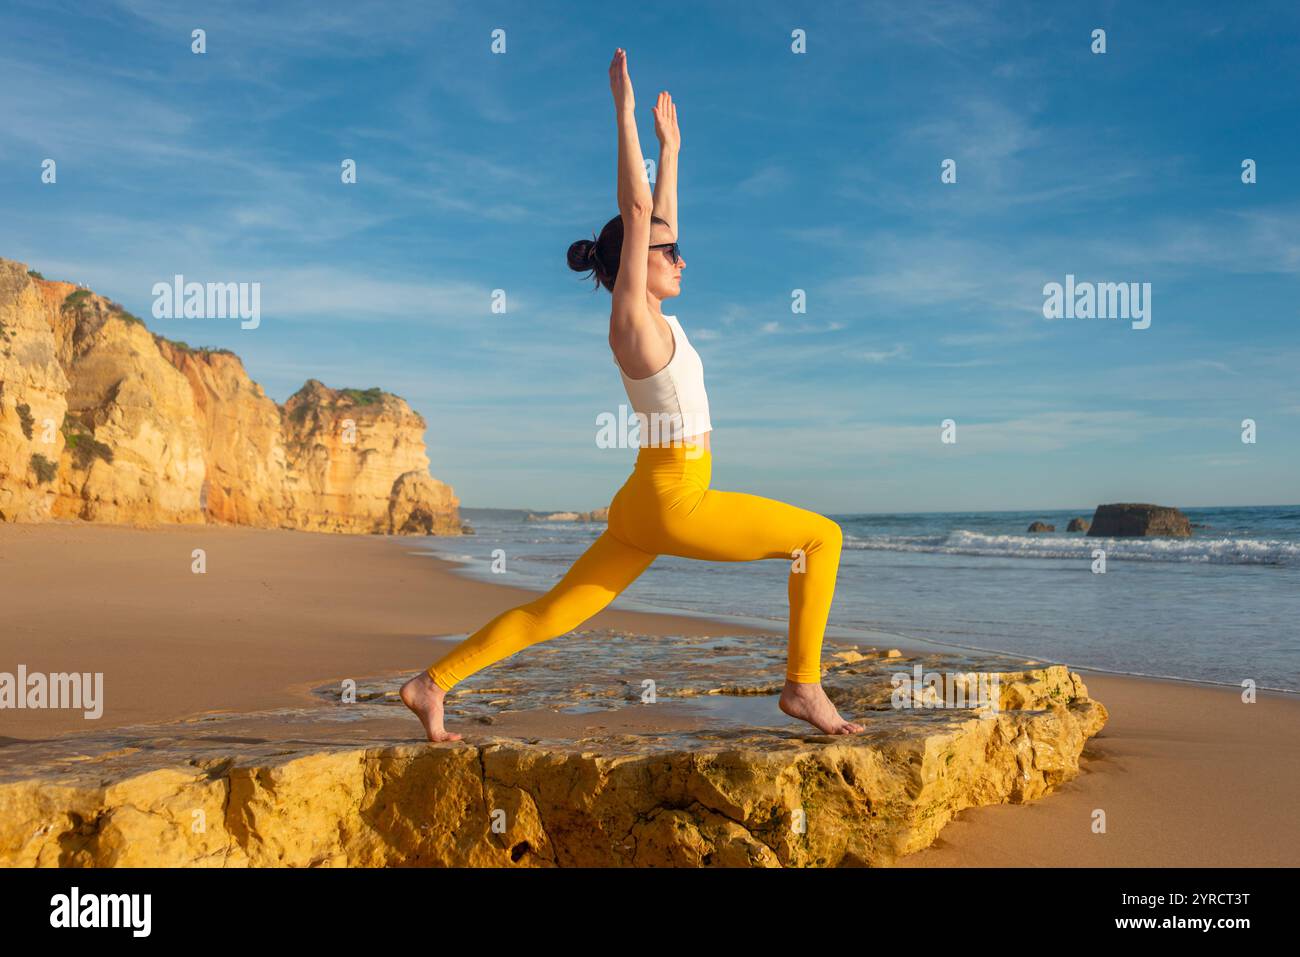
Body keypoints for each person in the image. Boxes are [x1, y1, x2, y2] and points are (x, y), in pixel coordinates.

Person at [401, 48, 863, 741]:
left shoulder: (652, 313)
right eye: (667, 252)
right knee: (820, 537)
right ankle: (802, 684)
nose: (681, 259)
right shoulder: (631, 322)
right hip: (676, 499)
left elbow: (658, 214)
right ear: (633, 263)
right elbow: (639, 207)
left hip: (642, 499)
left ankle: (429, 684)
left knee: (555, 608)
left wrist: (671, 149)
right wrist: (622, 111)